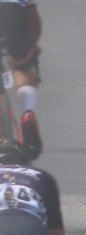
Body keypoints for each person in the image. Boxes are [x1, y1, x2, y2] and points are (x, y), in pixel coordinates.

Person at [0, 0, 40, 157]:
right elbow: (31, 10)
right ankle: (28, 111)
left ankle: (2, 141)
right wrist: (31, 46)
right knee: (22, 66)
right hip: (14, 11)